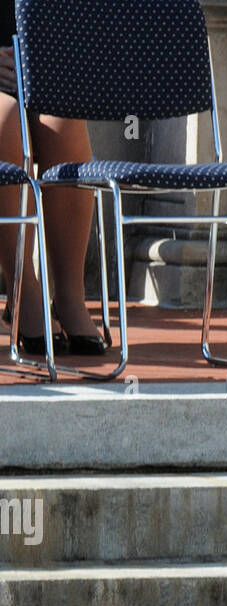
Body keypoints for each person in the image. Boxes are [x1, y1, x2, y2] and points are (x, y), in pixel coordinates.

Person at [0, 0, 105, 354]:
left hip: (34, 67)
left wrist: (48, 59)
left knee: (64, 123)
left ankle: (69, 297)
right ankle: (25, 293)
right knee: (6, 122)